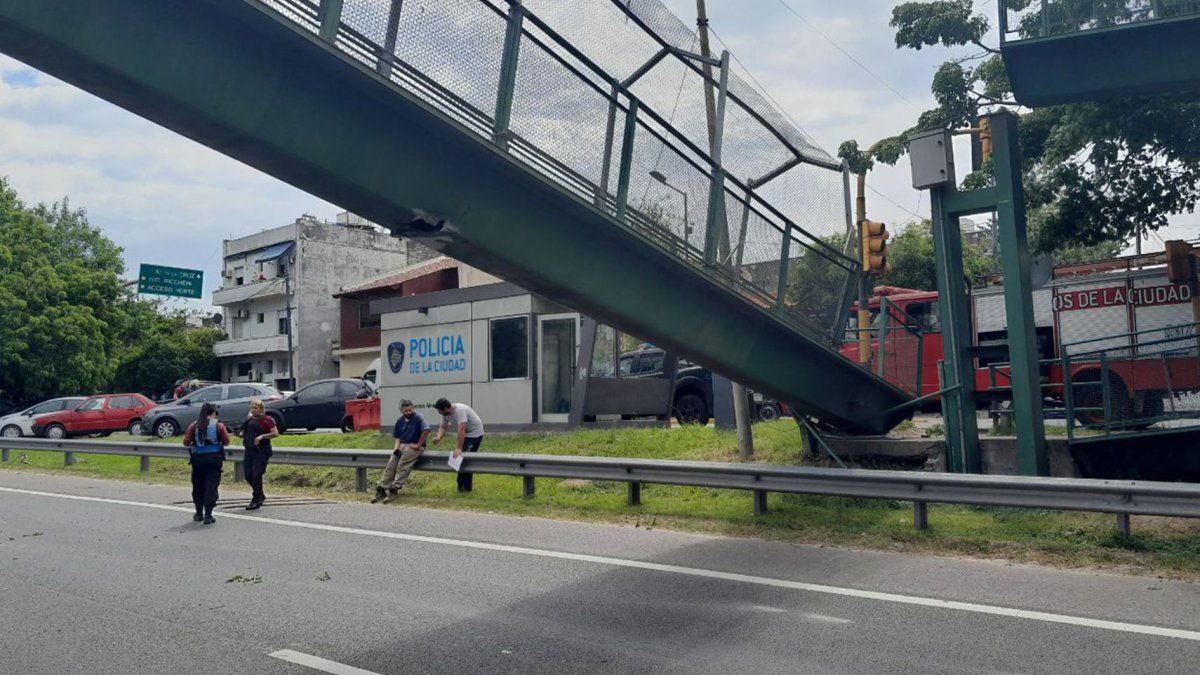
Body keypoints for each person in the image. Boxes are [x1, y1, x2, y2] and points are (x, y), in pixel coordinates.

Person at [372, 399, 430, 503]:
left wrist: (418, 445)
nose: (408, 412)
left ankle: (394, 489)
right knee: (391, 465)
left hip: (413, 446)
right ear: (401, 411)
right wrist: (396, 449)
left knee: (402, 465)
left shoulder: (418, 417)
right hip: (402, 445)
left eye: (410, 410)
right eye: (406, 411)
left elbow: (426, 430)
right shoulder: (400, 421)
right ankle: (381, 489)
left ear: (413, 408)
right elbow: (397, 437)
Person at [183, 402, 230, 524]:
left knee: (198, 486)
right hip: (214, 459)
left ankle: (199, 513)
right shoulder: (219, 426)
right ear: (213, 413)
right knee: (211, 486)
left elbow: (186, 442)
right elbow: (226, 441)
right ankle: (208, 515)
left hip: (197, 460)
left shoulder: (194, 425)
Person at [432, 398, 484, 493]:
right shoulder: (445, 414)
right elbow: (443, 426)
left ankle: (467, 488)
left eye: (439, 411)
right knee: (459, 459)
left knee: (466, 459)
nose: (439, 413)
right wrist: (438, 438)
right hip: (466, 433)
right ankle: (460, 487)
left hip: (475, 433)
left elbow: (461, 430)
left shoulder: (460, 410)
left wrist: (458, 448)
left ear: (445, 409)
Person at [238, 399, 279, 510]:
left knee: (257, 475)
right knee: (248, 475)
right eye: (251, 408)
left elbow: (275, 433)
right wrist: (241, 434)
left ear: (261, 409)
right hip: (249, 450)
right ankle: (260, 494)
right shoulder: (249, 419)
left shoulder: (268, 419)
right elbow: (243, 431)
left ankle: (256, 499)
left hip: (261, 451)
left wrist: (262, 436)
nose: (253, 410)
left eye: (255, 408)